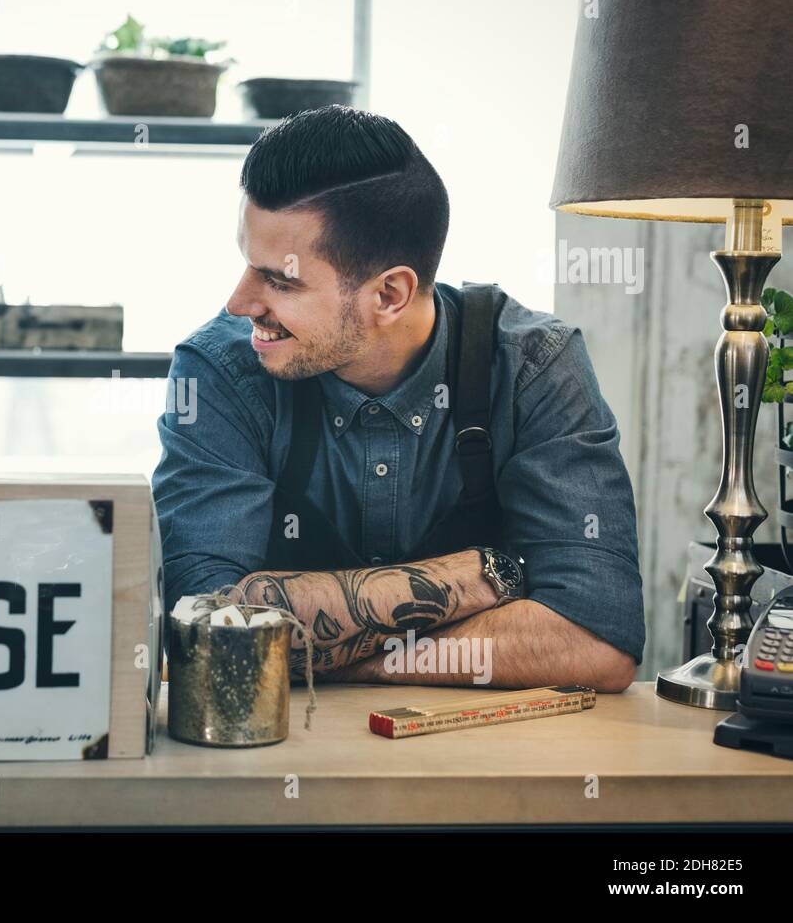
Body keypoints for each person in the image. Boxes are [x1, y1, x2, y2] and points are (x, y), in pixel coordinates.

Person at [152, 106, 643, 692]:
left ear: (389, 293)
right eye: (246, 265)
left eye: (280, 281)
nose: (239, 303)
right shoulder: (220, 372)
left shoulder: (535, 366)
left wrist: (353, 665)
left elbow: (596, 639)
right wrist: (481, 576)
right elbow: (200, 629)